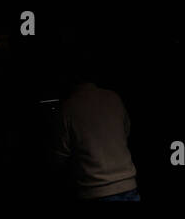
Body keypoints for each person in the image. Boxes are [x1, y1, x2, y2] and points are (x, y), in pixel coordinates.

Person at [49, 60, 139, 201]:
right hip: (128, 184)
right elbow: (126, 132)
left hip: (95, 190)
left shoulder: (68, 108)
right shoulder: (113, 98)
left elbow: (60, 155)